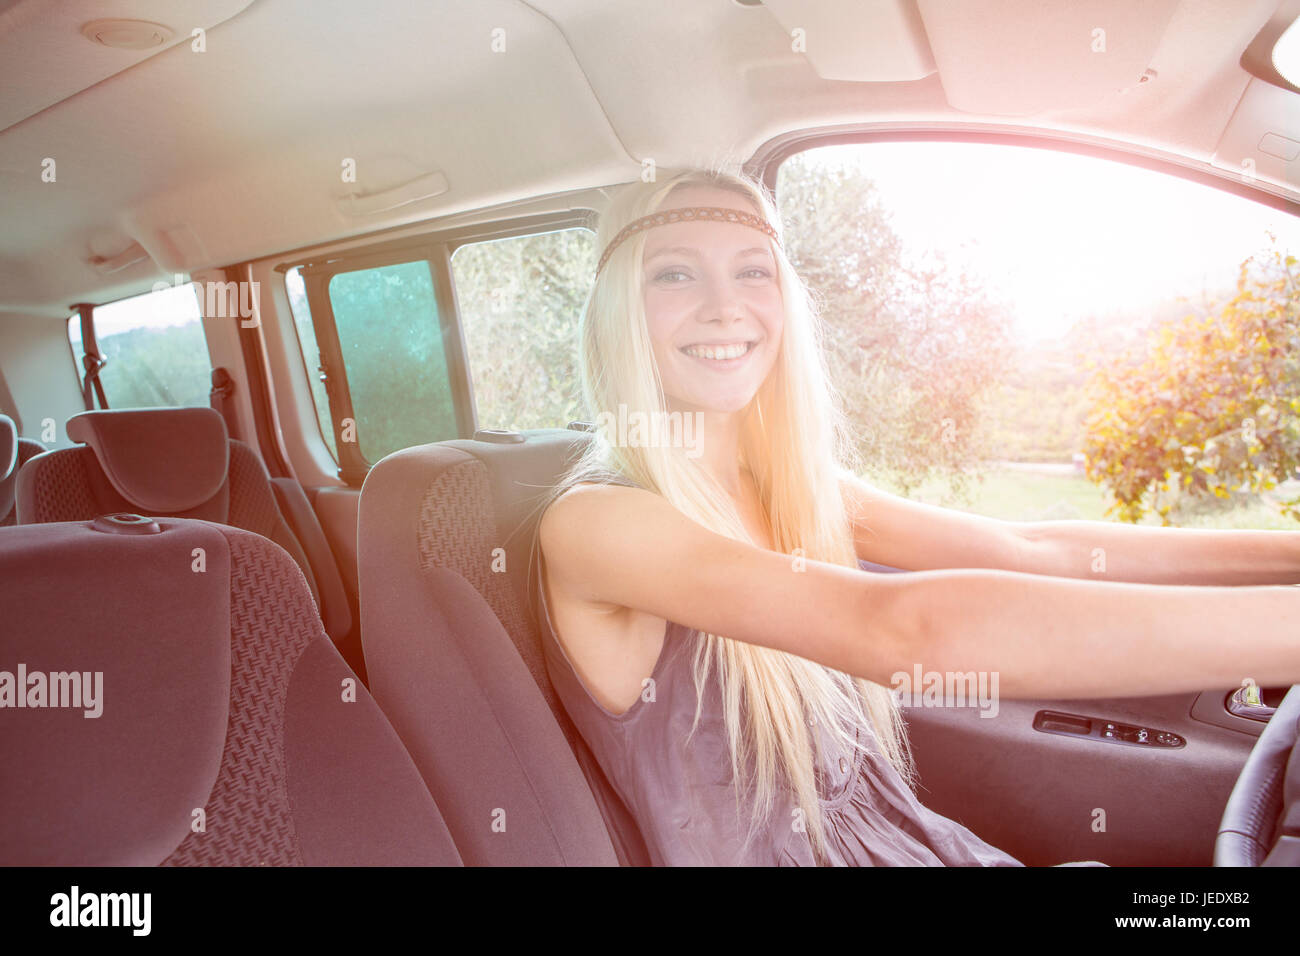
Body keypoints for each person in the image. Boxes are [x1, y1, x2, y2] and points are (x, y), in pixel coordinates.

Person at [530, 165, 1300, 866]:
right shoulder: (599, 525)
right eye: (674, 274)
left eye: (752, 271)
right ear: (617, 309)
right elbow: (903, 629)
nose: (725, 305)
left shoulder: (789, 488)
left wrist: (1289, 557)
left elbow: (1031, 548)